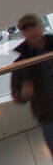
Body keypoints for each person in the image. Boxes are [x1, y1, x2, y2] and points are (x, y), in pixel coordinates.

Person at [11, 13, 53, 157]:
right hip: (48, 115)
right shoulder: (21, 62)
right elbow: (16, 94)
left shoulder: (23, 60)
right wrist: (23, 93)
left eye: (32, 27)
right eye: (26, 29)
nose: (30, 32)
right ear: (22, 32)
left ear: (40, 27)